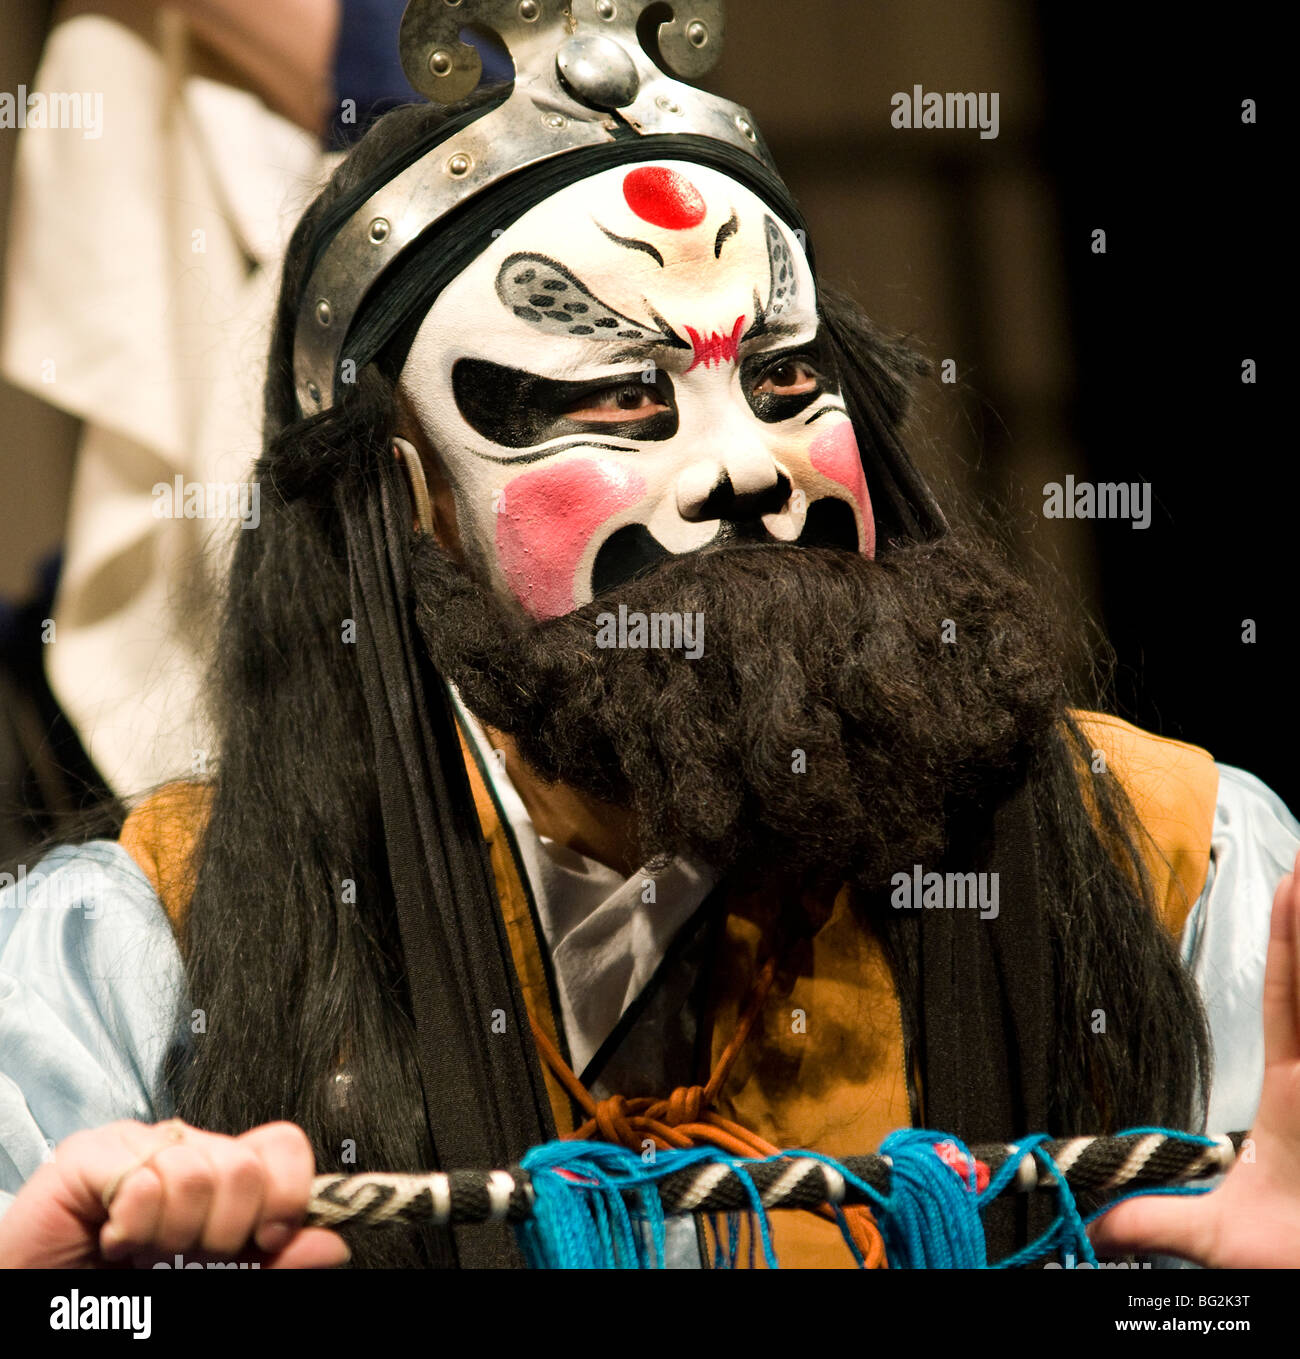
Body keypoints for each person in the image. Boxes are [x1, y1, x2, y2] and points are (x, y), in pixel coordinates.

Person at [1, 0, 1297, 1270]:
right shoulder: (141, 957)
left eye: (786, 381)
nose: (744, 464)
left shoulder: (1185, 864)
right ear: (411, 505)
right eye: (619, 399)